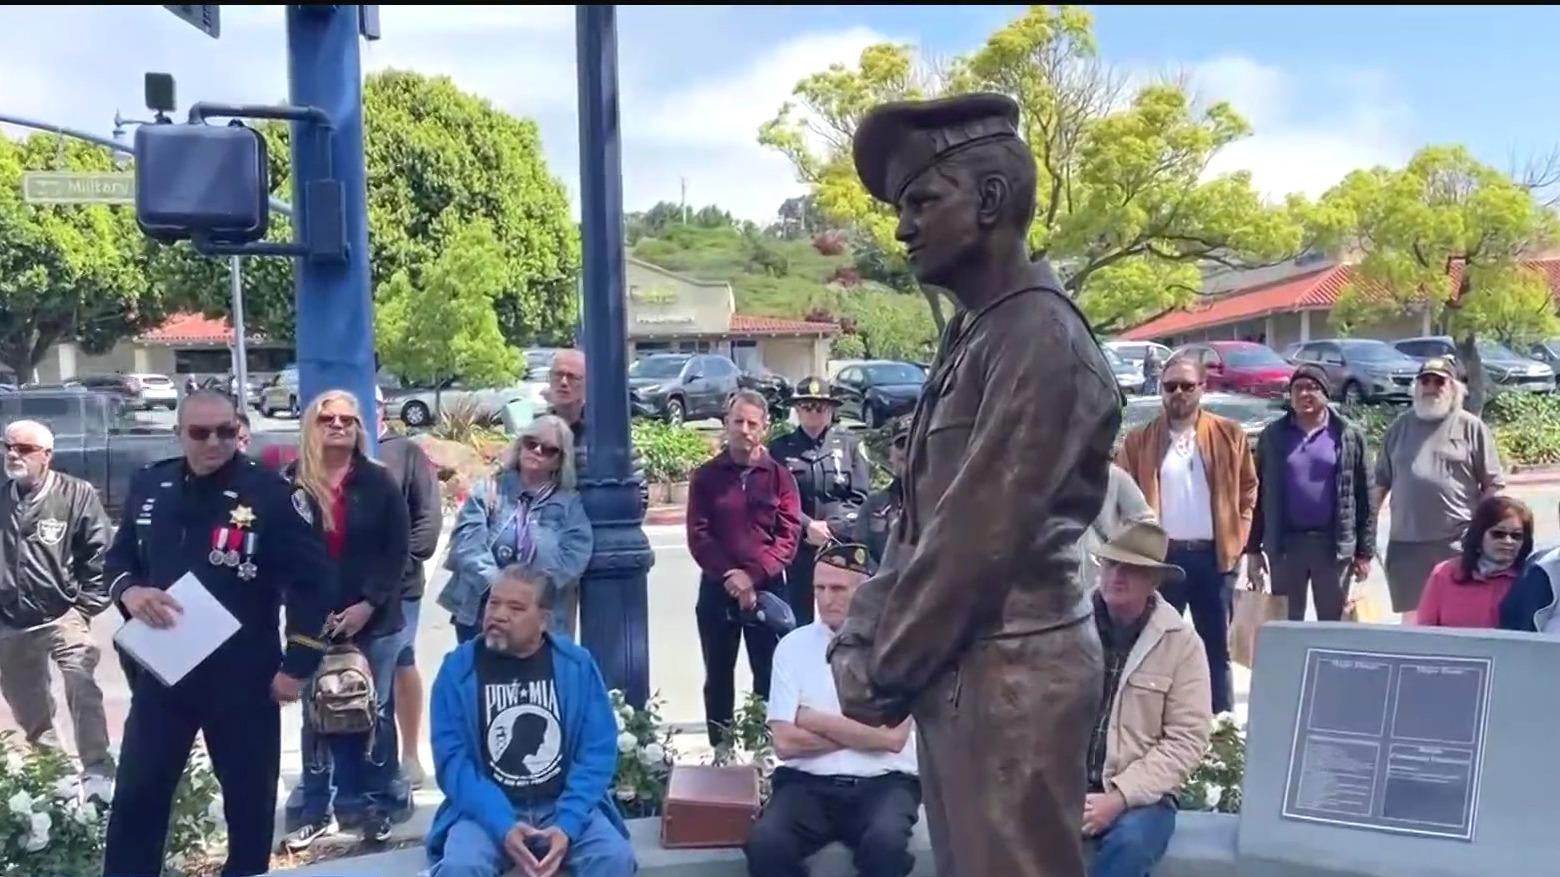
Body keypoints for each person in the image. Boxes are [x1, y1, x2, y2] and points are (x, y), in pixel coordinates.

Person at [830, 93, 1121, 877]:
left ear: (990, 200)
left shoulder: (1039, 338)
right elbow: (918, 521)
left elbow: (974, 540)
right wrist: (864, 635)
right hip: (970, 667)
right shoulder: (981, 330)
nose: (902, 226)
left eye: (923, 199)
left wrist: (882, 666)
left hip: (1015, 672)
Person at [102, 390, 334, 877]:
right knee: (138, 798)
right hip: (164, 672)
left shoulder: (272, 495)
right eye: (201, 433)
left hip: (243, 679)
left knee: (248, 807)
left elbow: (314, 585)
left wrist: (297, 667)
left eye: (226, 432)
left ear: (239, 430)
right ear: (179, 433)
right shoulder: (151, 485)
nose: (214, 442)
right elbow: (118, 560)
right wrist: (130, 592)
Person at [424, 565, 635, 877]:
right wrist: (502, 825)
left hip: (563, 806)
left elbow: (597, 752)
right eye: (493, 603)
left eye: (516, 608)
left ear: (544, 620)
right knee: (461, 868)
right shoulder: (458, 671)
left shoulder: (576, 666)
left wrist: (567, 824)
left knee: (614, 859)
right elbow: (453, 763)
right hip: (485, 813)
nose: (498, 615)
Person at [283, 389, 412, 849]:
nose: (338, 425)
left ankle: (372, 806)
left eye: (347, 419)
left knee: (371, 711)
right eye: (327, 419)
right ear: (312, 426)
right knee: (317, 713)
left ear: (360, 429)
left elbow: (398, 551)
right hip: (311, 621)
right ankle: (318, 807)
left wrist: (367, 605)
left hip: (373, 620)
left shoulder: (378, 482)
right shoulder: (292, 484)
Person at [745, 542, 919, 877]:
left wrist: (811, 719)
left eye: (838, 588)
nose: (826, 598)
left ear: (866, 591)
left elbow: (895, 740)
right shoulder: (792, 648)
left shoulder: (897, 649)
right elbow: (785, 744)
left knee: (886, 848)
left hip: (884, 785)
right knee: (766, 845)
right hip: (805, 785)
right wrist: (868, 733)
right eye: (819, 588)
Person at [1116, 354, 1256, 716]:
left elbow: (1249, 490)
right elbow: (1119, 494)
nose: (1178, 393)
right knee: (1155, 645)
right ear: (1161, 390)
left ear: (1202, 388)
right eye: (1171, 386)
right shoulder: (1140, 440)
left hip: (1215, 558)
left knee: (1216, 648)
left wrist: (1239, 537)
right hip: (1162, 560)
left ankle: (1220, 726)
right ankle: (1157, 724)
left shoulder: (1229, 434)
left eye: (1187, 385)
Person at [1084, 521, 1212, 877]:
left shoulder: (1182, 644)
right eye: (1111, 565)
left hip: (1143, 797)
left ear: (1154, 581)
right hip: (1069, 783)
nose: (1116, 577)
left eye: (1130, 569)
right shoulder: (1071, 627)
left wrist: (1119, 797)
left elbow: (1186, 740)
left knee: (1131, 845)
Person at [0, 420, 115, 793]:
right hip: (10, 621)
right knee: (28, 706)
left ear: (46, 455)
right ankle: (56, 776)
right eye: (8, 447)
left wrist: (84, 608)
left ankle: (97, 769)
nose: (13, 455)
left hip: (63, 612)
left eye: (24, 449)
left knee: (81, 680)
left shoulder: (75, 495)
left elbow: (102, 555)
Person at [688, 390, 802, 748]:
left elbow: (788, 535)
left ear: (765, 428)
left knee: (768, 675)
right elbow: (699, 534)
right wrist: (731, 577)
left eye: (753, 423)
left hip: (768, 590)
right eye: (738, 421)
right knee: (718, 674)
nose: (744, 429)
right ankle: (721, 751)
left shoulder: (780, 477)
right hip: (717, 589)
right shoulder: (706, 477)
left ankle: (762, 750)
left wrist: (752, 576)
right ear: (726, 423)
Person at [1374, 357, 1504, 624]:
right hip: (1406, 546)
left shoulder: (1472, 427)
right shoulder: (1399, 427)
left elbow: (1493, 485)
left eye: (1439, 381)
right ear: (1416, 387)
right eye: (1425, 380)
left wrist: (1479, 533)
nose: (1431, 387)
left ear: (1454, 388)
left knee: (1457, 620)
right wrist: (1364, 538)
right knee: (1414, 624)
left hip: (1456, 543)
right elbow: (1379, 485)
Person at [442, 415, 593, 644]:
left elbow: (576, 555)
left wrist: (532, 593)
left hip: (540, 620)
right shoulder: (490, 489)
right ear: (520, 445)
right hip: (482, 614)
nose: (537, 451)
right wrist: (501, 588)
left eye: (549, 449)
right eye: (531, 443)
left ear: (559, 460)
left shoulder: (569, 503)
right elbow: (467, 545)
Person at [1245, 364, 1375, 622]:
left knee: (1333, 624)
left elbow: (1366, 497)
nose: (1304, 394)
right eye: (1298, 389)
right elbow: (1257, 495)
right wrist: (1252, 549)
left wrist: (1364, 553)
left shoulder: (1348, 435)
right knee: (1286, 624)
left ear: (1326, 394)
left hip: (1332, 546)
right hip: (1285, 547)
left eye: (1312, 388)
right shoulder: (1273, 436)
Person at [370, 385, 443, 790]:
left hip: (400, 586)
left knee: (400, 662)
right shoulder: (329, 451)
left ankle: (409, 755)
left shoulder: (405, 454)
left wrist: (395, 566)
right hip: (346, 589)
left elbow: (427, 521)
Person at [768, 376, 871, 626]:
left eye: (820, 407)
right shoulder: (779, 450)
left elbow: (861, 499)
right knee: (798, 623)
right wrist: (807, 526)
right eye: (807, 406)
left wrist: (832, 529)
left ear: (831, 410)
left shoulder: (850, 446)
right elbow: (773, 500)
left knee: (843, 619)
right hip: (799, 548)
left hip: (841, 546)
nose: (813, 413)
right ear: (797, 410)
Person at [1417, 495, 1532, 629]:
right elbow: (1425, 631)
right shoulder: (1444, 574)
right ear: (1479, 534)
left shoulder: (1530, 578)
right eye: (1498, 534)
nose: (1508, 542)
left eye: (1516, 536)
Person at [1081, 463, 1156, 591]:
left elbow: (1147, 522)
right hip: (1054, 583)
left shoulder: (1112, 475)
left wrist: (1118, 556)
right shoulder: (1044, 476)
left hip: (1099, 582)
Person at [854, 417, 909, 570]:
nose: (909, 451)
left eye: (917, 443)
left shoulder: (942, 504)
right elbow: (861, 553)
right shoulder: (873, 506)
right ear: (891, 453)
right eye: (902, 444)